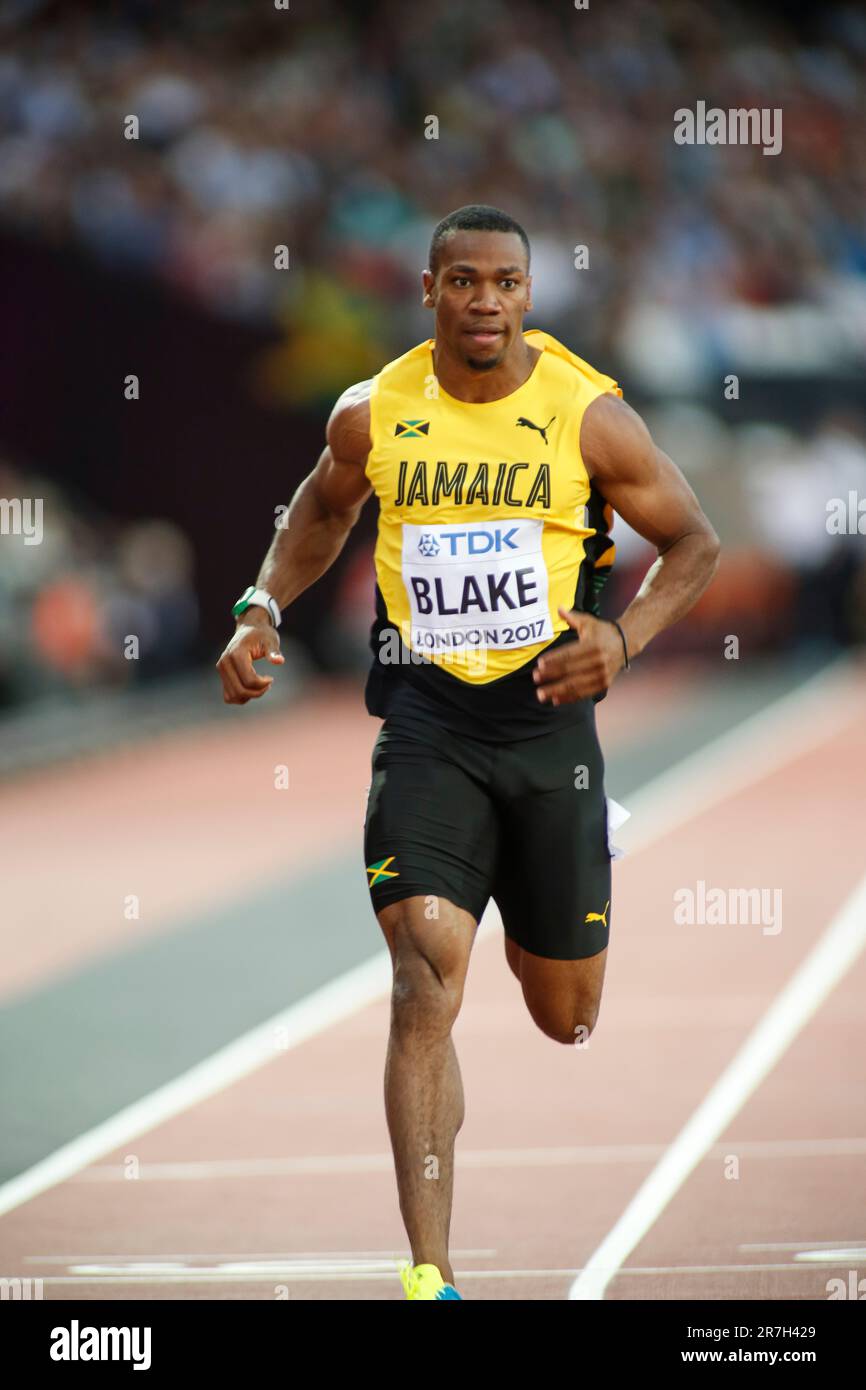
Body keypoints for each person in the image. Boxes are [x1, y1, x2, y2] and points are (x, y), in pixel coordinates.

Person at [216, 205, 721, 1301]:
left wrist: (622, 640)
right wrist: (261, 604)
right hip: (427, 727)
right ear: (430, 290)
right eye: (463, 281)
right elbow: (318, 509)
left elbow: (693, 540)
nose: (483, 300)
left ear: (526, 297)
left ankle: (534, 878)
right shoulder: (374, 411)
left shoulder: (588, 416)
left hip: (546, 729)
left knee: (564, 1015)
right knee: (419, 981)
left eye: (503, 282)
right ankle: (430, 1275)